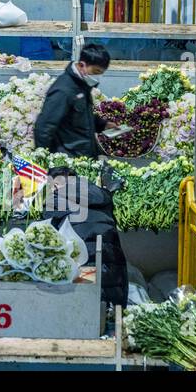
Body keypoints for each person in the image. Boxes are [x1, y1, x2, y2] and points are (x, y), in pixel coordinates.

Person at [33, 42, 128, 306]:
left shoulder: (80, 87)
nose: (97, 77)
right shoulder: (63, 90)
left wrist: (102, 124)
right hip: (66, 171)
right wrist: (48, 167)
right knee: (71, 225)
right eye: (95, 71)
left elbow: (79, 119)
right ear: (82, 65)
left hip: (82, 166)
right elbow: (43, 128)